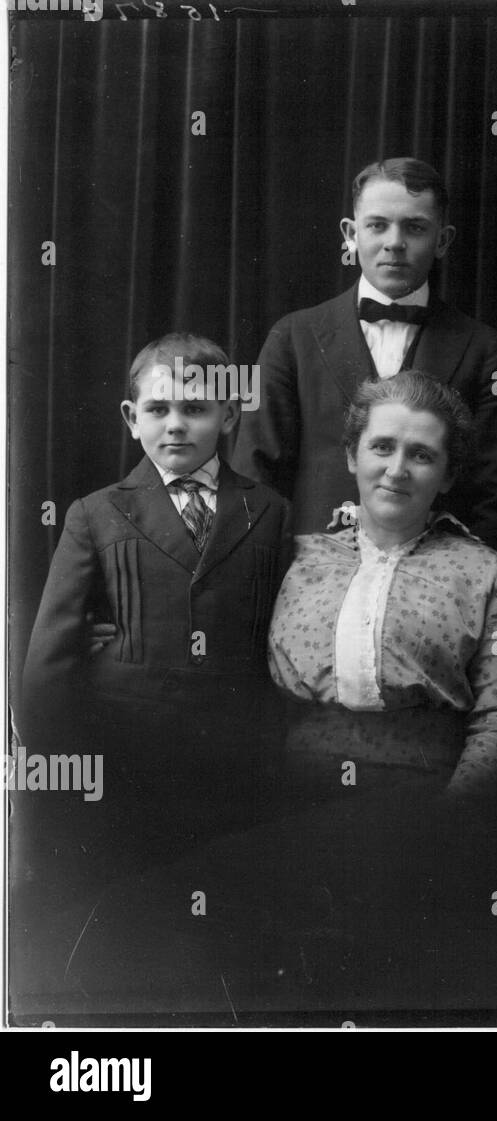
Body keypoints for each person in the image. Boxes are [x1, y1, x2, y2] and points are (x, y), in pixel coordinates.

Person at [20, 332, 293, 880]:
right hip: (125, 752)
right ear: (131, 416)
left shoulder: (270, 511)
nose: (175, 424)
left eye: (195, 409)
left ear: (230, 414)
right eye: (158, 408)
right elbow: (49, 660)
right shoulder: (95, 513)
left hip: (235, 756)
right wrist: (62, 769)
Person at [232, 157, 497, 567]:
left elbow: (496, 495)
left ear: (443, 240)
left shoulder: (483, 349)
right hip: (310, 574)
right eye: (377, 225)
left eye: (415, 227)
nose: (394, 242)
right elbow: (255, 476)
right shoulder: (292, 337)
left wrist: (466, 580)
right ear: (351, 234)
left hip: (435, 580)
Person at [266, 369, 497, 800]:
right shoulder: (293, 560)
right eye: (382, 447)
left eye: (421, 455)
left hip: (425, 794)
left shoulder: (488, 575)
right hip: (291, 792)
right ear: (353, 456)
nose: (397, 469)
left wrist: (451, 812)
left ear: (447, 476)